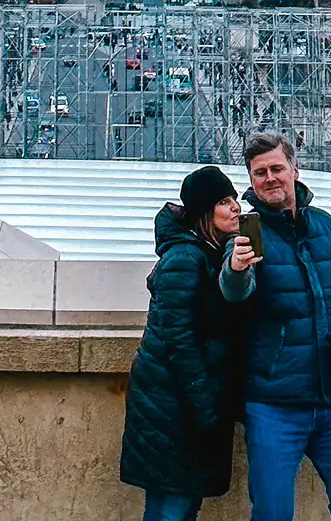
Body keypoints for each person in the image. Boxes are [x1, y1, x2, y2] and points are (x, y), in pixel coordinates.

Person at [220, 132, 331, 521]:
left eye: (276, 168)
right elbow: (234, 293)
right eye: (260, 173)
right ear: (251, 181)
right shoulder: (245, 234)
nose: (270, 178)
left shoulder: (330, 228)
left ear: (294, 170)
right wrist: (237, 269)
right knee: (272, 513)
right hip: (274, 403)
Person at [120, 164, 245, 521]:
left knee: (182, 506)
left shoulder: (206, 253)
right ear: (206, 211)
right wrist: (206, 408)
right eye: (224, 201)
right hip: (174, 410)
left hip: (181, 407)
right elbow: (180, 341)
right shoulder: (185, 258)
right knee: (170, 510)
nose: (235, 206)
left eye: (234, 198)